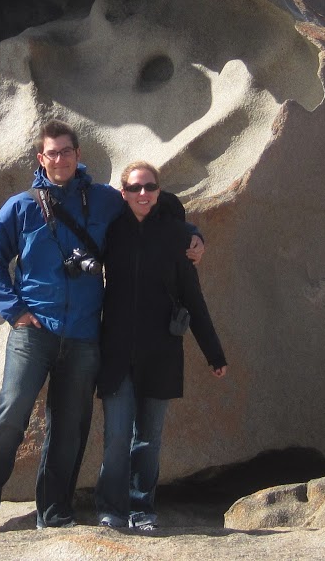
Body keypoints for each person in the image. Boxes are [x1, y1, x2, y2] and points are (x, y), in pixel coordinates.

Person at [0, 121, 203, 531]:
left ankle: (54, 510)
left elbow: (155, 205)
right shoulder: (21, 206)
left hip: (85, 333)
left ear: (78, 154)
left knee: (69, 429)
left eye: (67, 151)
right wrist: (15, 310)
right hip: (34, 331)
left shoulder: (104, 200)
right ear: (42, 159)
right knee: (11, 413)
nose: (60, 159)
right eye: (52, 153)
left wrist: (193, 234)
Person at [94, 161, 227, 532]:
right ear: (123, 193)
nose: (143, 194)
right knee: (118, 437)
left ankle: (142, 510)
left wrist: (214, 353)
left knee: (148, 440)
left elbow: (193, 298)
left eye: (150, 187)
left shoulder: (175, 236)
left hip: (161, 352)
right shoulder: (111, 231)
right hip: (117, 350)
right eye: (135, 188)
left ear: (158, 191)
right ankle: (111, 508)